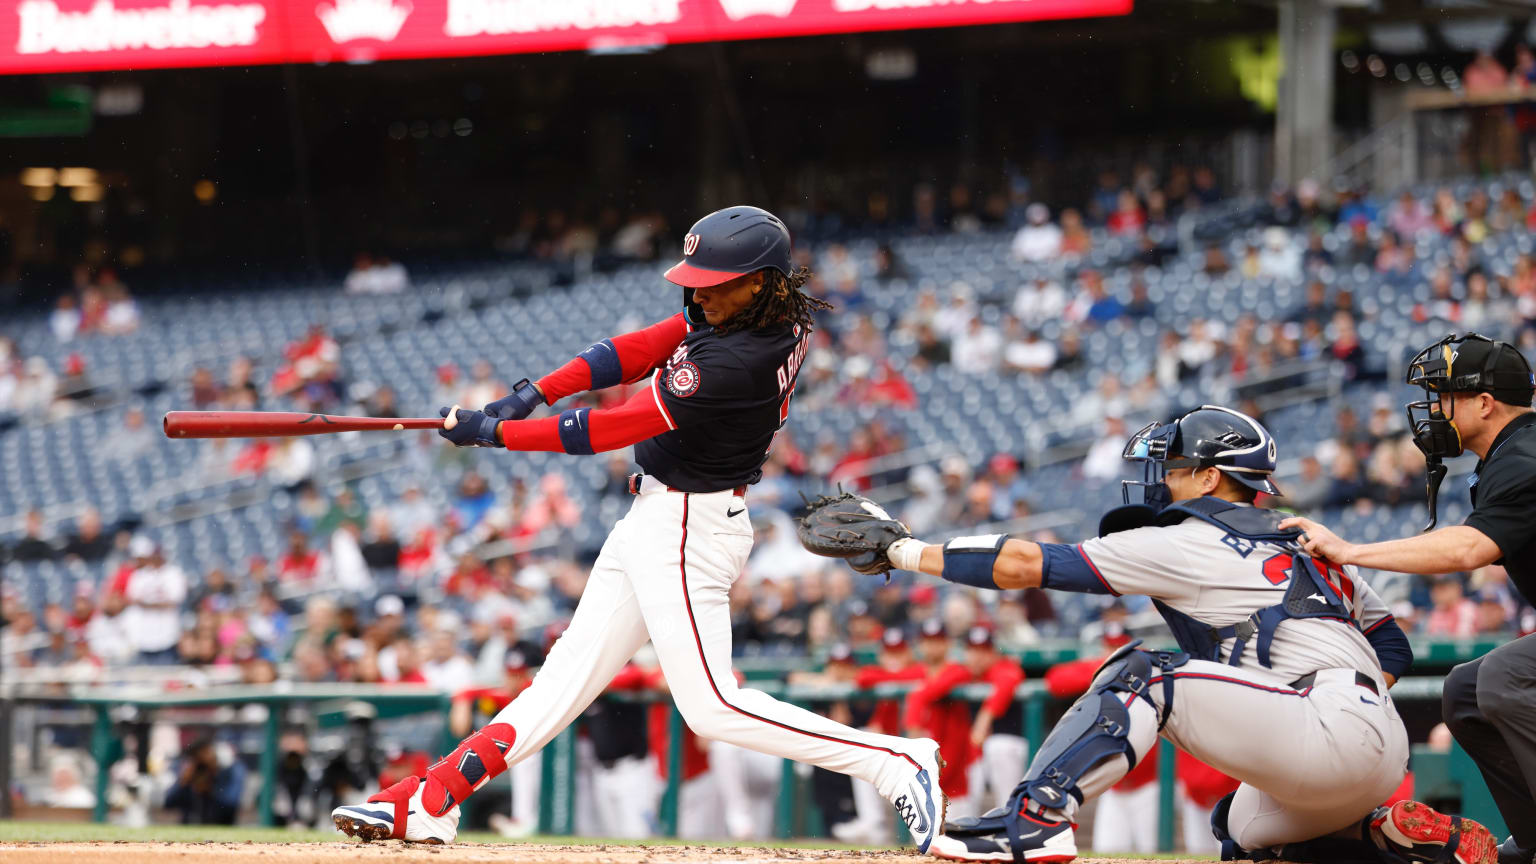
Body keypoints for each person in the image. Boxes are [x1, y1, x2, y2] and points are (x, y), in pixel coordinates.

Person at [331, 206, 945, 851]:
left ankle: (895, 761)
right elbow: (633, 350)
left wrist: (499, 433)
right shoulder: (760, 313)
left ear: (761, 280)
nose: (699, 290)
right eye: (696, 277)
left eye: (716, 280)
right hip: (658, 518)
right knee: (562, 680)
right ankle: (435, 799)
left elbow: (604, 430)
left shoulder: (738, 359)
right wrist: (532, 391)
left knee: (712, 706)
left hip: (688, 525)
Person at [801, 405, 1500, 864]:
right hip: (1367, 743)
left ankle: (1036, 819)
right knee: (1242, 831)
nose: (1161, 480)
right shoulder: (1306, 543)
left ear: (1208, 475)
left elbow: (1024, 564)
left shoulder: (1192, 537)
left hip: (1323, 727)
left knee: (1144, 672)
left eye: (1172, 467)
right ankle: (1382, 835)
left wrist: (901, 551)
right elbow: (1394, 650)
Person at [1284, 333, 1536, 864]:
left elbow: (1469, 548)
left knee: (1502, 678)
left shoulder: (1524, 457)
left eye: (1444, 396)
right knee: (1465, 691)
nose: (1434, 410)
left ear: (1484, 403)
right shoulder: (1511, 453)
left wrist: (1351, 549)